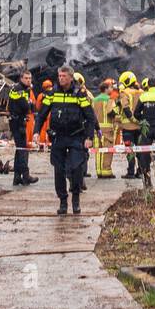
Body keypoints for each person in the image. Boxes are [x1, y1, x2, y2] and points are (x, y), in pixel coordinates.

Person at [34, 66, 98, 215]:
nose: (61, 78)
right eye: (59, 75)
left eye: (64, 76)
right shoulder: (52, 93)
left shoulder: (80, 94)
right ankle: (63, 201)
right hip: (58, 137)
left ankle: (75, 198)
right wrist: (37, 132)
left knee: (76, 168)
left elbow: (90, 117)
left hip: (76, 136)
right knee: (59, 170)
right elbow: (41, 115)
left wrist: (89, 137)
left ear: (70, 78)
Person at [7, 70, 38, 186]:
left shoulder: (24, 89)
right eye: (26, 78)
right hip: (18, 122)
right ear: (21, 78)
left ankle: (17, 177)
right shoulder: (19, 89)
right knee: (23, 150)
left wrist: (29, 104)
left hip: (18, 121)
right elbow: (26, 106)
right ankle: (26, 176)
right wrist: (29, 104)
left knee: (19, 149)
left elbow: (32, 106)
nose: (28, 80)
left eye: (30, 78)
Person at [92, 78, 120, 179]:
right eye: (111, 87)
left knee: (98, 150)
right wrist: (117, 114)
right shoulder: (109, 99)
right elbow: (110, 111)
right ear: (106, 89)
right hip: (107, 130)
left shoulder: (94, 100)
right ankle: (106, 171)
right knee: (107, 150)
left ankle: (99, 171)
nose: (112, 89)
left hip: (96, 129)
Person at [117, 71, 142, 179]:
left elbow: (126, 109)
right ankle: (141, 171)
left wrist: (132, 119)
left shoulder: (124, 93)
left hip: (128, 128)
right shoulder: (141, 92)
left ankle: (131, 172)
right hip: (140, 127)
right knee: (141, 150)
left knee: (129, 150)